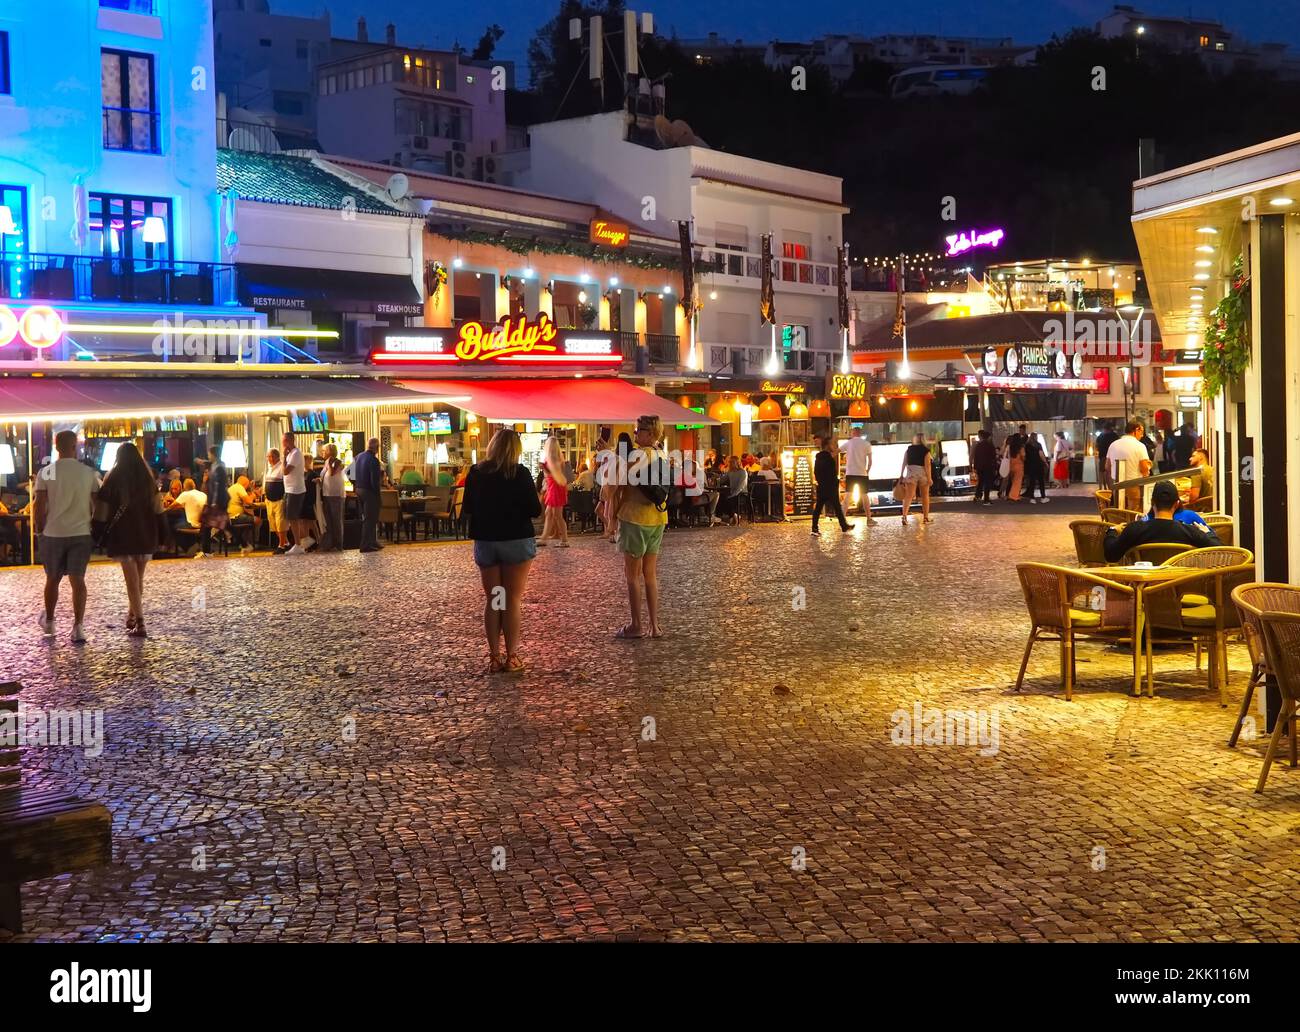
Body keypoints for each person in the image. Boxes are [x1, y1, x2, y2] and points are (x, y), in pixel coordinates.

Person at [462, 429, 542, 674]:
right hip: (515, 542)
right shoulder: (520, 474)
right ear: (515, 450)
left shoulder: (476, 473)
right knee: (512, 599)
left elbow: (467, 508)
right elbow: (535, 509)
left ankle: (494, 656)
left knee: (495, 599)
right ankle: (512, 656)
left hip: (487, 542)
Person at [33, 430, 99, 644]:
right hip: (80, 532)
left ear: (55, 445)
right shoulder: (87, 473)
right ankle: (78, 627)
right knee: (78, 580)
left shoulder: (48, 472)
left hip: (53, 532)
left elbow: (39, 504)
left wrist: (39, 528)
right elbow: (96, 504)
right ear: (75, 446)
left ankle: (50, 622)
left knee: (52, 579)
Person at [97, 442, 160, 637]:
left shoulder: (113, 478)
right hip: (145, 532)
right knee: (138, 578)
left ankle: (140, 622)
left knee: (131, 580)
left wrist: (97, 530)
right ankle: (131, 616)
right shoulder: (147, 479)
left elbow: (102, 511)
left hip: (123, 534)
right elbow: (158, 508)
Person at [614, 415, 668, 639]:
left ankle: (636, 625)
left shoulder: (638, 456)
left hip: (634, 517)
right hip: (657, 518)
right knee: (650, 575)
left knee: (632, 575)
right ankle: (654, 626)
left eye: (639, 431)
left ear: (650, 433)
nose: (635, 434)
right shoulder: (661, 454)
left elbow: (619, 479)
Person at [1103, 480, 1217, 562]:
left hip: (1143, 587)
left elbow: (1110, 556)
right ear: (1177, 504)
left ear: (1152, 502)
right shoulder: (1190, 531)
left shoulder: (1135, 529)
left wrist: (1112, 530)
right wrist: (1208, 532)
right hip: (1180, 587)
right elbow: (1219, 551)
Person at [1106, 420, 1152, 511]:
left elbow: (1107, 466)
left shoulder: (1113, 445)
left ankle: (1120, 525)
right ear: (1136, 430)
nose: (1142, 435)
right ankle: (1131, 525)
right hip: (1133, 484)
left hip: (1117, 485)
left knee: (1119, 510)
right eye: (1142, 432)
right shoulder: (1140, 446)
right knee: (1133, 512)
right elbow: (1144, 468)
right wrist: (1149, 466)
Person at [811, 435, 852, 536]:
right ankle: (844, 526)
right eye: (832, 444)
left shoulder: (819, 458)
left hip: (822, 487)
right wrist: (835, 482)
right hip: (830, 487)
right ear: (827, 446)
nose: (834, 446)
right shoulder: (828, 458)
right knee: (837, 507)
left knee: (819, 508)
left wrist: (820, 482)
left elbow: (816, 472)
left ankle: (814, 528)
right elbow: (831, 473)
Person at [281, 431, 313, 555]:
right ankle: (304, 539)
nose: (282, 443)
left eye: (284, 441)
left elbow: (285, 471)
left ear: (289, 441)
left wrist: (284, 458)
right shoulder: (290, 454)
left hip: (295, 490)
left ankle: (298, 544)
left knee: (293, 517)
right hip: (289, 489)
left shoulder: (295, 454)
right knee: (290, 516)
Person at [197, 445, 229, 559]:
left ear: (213, 454)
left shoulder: (219, 467)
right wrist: (200, 461)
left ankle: (206, 552)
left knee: (208, 525)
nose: (208, 456)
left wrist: (214, 502)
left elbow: (217, 486)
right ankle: (206, 552)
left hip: (217, 501)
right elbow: (206, 462)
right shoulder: (216, 465)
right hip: (215, 501)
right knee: (208, 525)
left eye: (209, 454)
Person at [839, 427, 876, 524]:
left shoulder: (849, 443)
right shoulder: (866, 444)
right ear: (860, 433)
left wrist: (828, 456)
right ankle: (869, 519)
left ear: (853, 433)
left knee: (848, 496)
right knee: (864, 496)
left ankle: (842, 518)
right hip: (862, 473)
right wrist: (867, 470)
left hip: (850, 473)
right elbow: (870, 461)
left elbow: (838, 451)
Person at [537, 436, 569, 547]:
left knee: (557, 515)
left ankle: (564, 539)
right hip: (553, 486)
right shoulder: (555, 458)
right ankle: (544, 538)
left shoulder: (555, 459)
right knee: (549, 513)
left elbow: (554, 474)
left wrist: (544, 468)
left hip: (555, 487)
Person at [600, 433, 632, 544]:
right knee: (617, 511)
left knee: (612, 511)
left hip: (616, 487)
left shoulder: (617, 456)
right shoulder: (631, 454)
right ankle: (615, 532)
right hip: (626, 487)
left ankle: (613, 532)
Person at [352, 437, 383, 553]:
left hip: (359, 490)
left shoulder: (359, 456)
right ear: (376, 447)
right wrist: (378, 495)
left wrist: (355, 484)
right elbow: (374, 480)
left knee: (367, 517)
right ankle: (365, 545)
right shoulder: (374, 460)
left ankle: (373, 541)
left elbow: (348, 471)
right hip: (369, 491)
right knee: (370, 519)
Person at [898, 432, 933, 525]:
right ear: (924, 440)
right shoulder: (926, 450)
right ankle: (925, 518)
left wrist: (901, 474)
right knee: (925, 496)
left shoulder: (909, 449)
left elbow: (904, 462)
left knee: (908, 496)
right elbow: (927, 465)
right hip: (922, 473)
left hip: (911, 473)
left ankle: (904, 517)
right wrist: (929, 478)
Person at [318, 444, 346, 552]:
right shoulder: (325, 463)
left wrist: (329, 463)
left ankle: (339, 544)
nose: (323, 452)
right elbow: (325, 478)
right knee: (328, 521)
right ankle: (330, 543)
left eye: (325, 451)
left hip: (336, 495)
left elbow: (332, 473)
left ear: (330, 452)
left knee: (336, 520)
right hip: (326, 494)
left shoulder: (337, 462)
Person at [262, 449, 289, 555]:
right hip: (269, 500)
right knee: (273, 524)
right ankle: (286, 543)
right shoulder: (269, 469)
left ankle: (281, 545)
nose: (270, 459)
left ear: (277, 457)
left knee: (280, 523)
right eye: (268, 457)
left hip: (279, 499)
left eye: (272, 456)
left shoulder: (281, 467)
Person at [226, 474, 256, 555]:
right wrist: (253, 496)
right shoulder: (240, 487)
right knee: (258, 520)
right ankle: (250, 543)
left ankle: (244, 543)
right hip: (235, 516)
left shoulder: (232, 488)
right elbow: (249, 502)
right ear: (245, 484)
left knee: (248, 519)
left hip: (228, 516)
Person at [717, 455, 749, 525]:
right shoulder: (730, 472)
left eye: (732, 462)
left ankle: (733, 516)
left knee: (728, 499)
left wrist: (733, 495)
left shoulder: (743, 472)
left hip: (741, 494)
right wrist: (717, 478)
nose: (731, 463)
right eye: (730, 462)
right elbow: (722, 480)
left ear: (737, 463)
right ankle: (733, 515)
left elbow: (741, 486)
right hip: (732, 493)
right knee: (719, 497)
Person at [972, 429, 998, 506]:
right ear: (988, 437)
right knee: (987, 483)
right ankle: (986, 500)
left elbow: (976, 457)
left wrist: (975, 467)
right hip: (988, 467)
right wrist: (995, 467)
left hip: (980, 467)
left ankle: (977, 496)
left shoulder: (978, 445)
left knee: (981, 481)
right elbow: (993, 457)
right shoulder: (990, 445)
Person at [1023, 432, 1048, 504]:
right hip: (1038, 464)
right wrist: (1045, 462)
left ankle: (1032, 498)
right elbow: (1041, 454)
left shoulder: (1027, 445)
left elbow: (1025, 456)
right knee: (1041, 481)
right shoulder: (1038, 444)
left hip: (1030, 465)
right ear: (1036, 437)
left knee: (1032, 482)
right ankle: (1043, 497)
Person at [1095, 422, 1120, 492]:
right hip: (1113, 456)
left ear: (1104, 429)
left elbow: (1097, 446)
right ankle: (1111, 488)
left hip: (1103, 456)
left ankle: (1101, 488)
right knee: (1110, 472)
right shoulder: (1115, 436)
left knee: (1102, 472)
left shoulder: (1101, 436)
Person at [1003, 434, 1025, 503]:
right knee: (1017, 482)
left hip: (1011, 465)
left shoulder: (1010, 447)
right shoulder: (1021, 447)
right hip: (1019, 465)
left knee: (1013, 481)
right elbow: (1023, 456)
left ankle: (1015, 496)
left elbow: (1006, 455)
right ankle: (1013, 496)